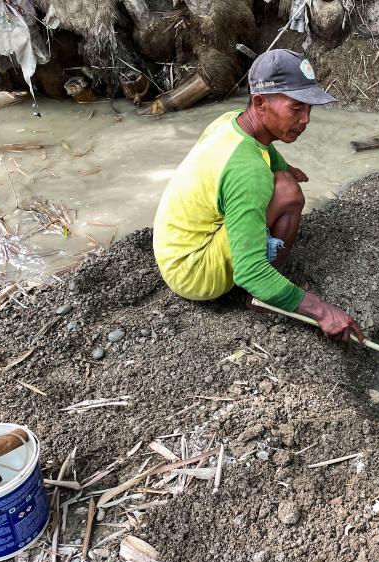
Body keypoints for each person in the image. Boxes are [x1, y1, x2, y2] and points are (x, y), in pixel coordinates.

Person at [153, 49, 365, 342]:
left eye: (309, 109)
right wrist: (323, 312)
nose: (305, 120)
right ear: (260, 103)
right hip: (193, 272)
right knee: (288, 193)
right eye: (296, 108)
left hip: (171, 252)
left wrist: (284, 166)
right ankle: (261, 300)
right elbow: (249, 271)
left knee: (283, 180)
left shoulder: (231, 120)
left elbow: (264, 148)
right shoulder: (249, 173)